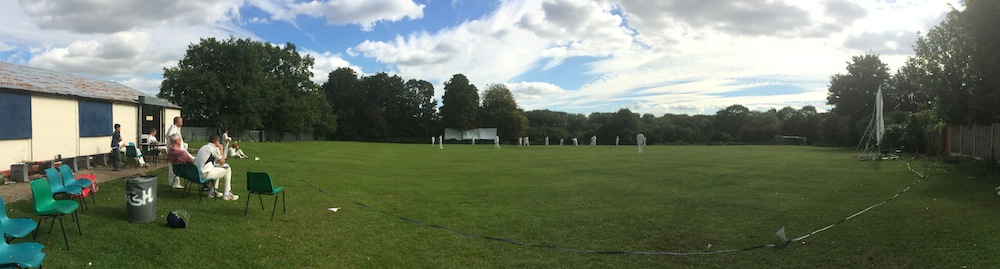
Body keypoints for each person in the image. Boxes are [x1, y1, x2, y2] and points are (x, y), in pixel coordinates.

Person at [195, 135, 239, 201]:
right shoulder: (213, 148)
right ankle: (226, 194)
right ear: (216, 142)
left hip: (195, 173)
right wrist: (221, 150)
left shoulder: (203, 147)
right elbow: (222, 162)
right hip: (203, 175)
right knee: (227, 169)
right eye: (219, 141)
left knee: (217, 169)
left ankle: (212, 191)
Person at [165, 117, 189, 189]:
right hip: (175, 152)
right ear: (177, 122)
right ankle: (175, 183)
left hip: (176, 151)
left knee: (174, 167)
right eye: (181, 122)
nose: (182, 123)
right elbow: (170, 136)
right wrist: (175, 147)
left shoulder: (175, 129)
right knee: (175, 167)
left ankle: (172, 182)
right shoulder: (173, 129)